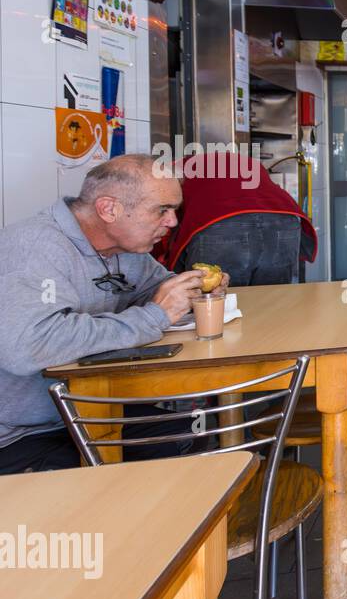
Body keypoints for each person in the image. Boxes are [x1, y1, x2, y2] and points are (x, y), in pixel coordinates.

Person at [0, 154, 225, 474]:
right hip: (22, 433)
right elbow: (29, 345)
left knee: (196, 431)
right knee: (114, 482)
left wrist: (194, 291)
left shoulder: (127, 250)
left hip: (90, 408)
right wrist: (154, 317)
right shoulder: (34, 247)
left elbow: (156, 290)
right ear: (108, 209)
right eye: (162, 210)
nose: (173, 222)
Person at [154, 150, 317, 286]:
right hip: (283, 218)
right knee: (273, 303)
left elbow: (167, 223)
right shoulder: (230, 160)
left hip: (222, 221)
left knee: (215, 303)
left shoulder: (163, 174)